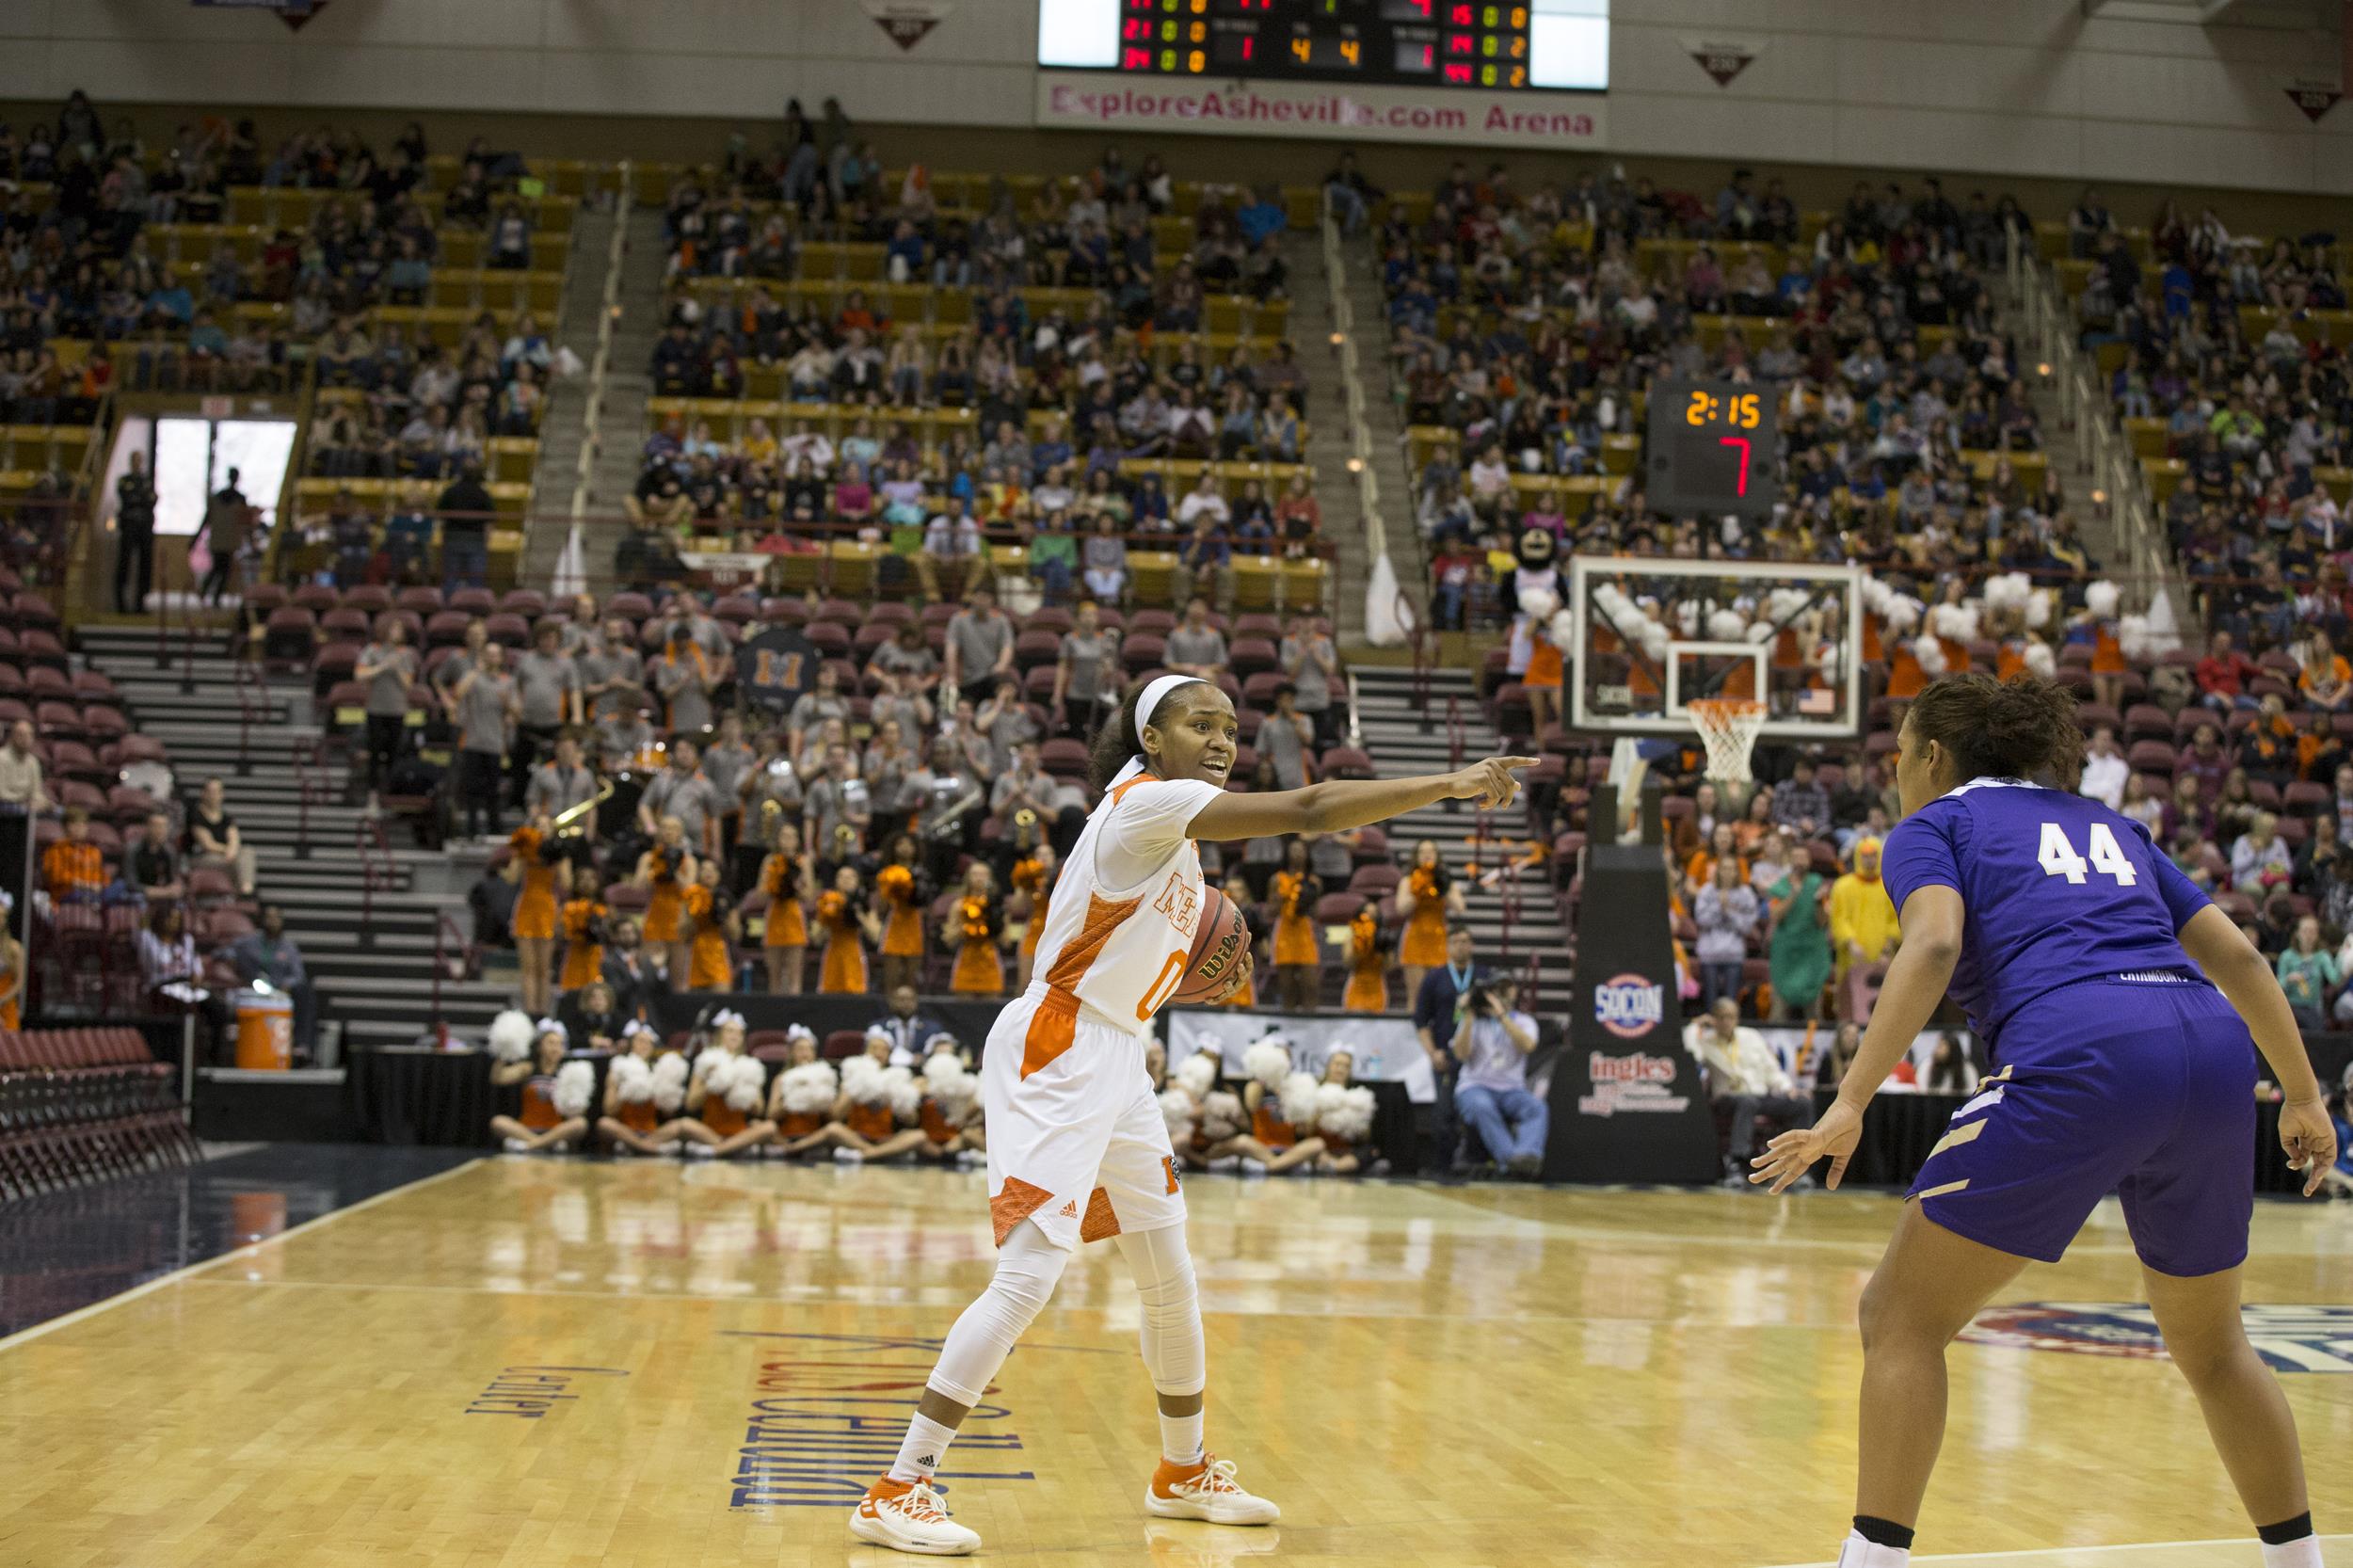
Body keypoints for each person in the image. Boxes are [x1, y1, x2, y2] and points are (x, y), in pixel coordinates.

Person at [848, 672, 1533, 1554]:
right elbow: (1316, 806)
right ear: (1151, 740)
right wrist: (1448, 783)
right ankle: (899, 1485)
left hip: (1119, 1051)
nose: (1220, 739)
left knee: (1169, 1269)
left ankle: (1183, 1470)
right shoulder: (1146, 806)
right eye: (1199, 724)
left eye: (1231, 727)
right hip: (1058, 1042)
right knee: (1028, 1276)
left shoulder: (1178, 836)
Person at [1751, 673, 2338, 1568]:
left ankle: (1870, 1563)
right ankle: (2300, 1564)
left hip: (2085, 1046)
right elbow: (2244, 956)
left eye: (1901, 753)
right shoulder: (2113, 826)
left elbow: (1936, 943)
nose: (1896, 771)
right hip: (2212, 1048)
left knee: (1899, 1318)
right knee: (2216, 1347)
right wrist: (2302, 1094)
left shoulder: (1932, 827)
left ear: (1934, 758)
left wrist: (1850, 1099)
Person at [1688, 995, 1809, 1186]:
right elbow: (1690, 1051)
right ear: (1714, 1019)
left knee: (1802, 1104)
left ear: (1737, 1018)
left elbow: (1771, 1068)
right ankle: (1736, 1163)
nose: (1726, 1021)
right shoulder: (1707, 1043)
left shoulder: (1750, 1036)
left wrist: (1787, 1088)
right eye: (1722, 1017)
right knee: (1747, 1102)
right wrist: (1696, 1025)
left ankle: (1796, 1163)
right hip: (1727, 1099)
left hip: (1759, 1096)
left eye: (1731, 1017)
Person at [1449, 975, 1546, 1177]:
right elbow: (1460, 1054)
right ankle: (1511, 1160)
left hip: (1511, 1090)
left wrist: (1503, 1017)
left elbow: (1528, 1046)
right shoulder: (1474, 1021)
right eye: (1497, 991)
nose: (1500, 996)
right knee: (1482, 1106)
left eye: (1506, 990)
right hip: (1474, 1086)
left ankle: (1526, 1154)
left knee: (1537, 1108)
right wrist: (1467, 1015)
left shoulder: (1523, 1021)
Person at [226, 904, 317, 1053]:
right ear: (263, 920)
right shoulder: (250, 942)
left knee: (304, 991)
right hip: (253, 987)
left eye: (276, 918)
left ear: (282, 921)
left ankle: (302, 1044)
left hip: (279, 990)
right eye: (269, 917)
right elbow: (226, 951)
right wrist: (232, 959)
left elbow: (299, 974)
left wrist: (287, 984)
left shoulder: (289, 948)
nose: (272, 921)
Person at [489, 1023, 587, 1152]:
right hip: (526, 1128)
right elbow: (497, 1078)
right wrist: (504, 1051)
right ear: (540, 1046)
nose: (555, 1048)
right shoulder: (528, 1068)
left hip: (555, 1130)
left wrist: (575, 1103)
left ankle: (529, 1146)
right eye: (551, 1043)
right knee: (498, 1121)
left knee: (580, 1123)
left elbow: (578, 1112)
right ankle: (544, 1144)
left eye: (560, 1044)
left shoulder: (569, 1073)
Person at [354, 617, 420, 808]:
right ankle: (372, 794)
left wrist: (396, 666)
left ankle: (391, 791)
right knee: (374, 753)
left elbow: (408, 685)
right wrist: (383, 666)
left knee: (394, 752)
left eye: (400, 629)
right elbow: (359, 675)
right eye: (394, 628)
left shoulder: (405, 654)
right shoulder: (372, 650)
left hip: (397, 709)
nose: (398, 633)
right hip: (375, 708)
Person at [184, 776, 258, 897]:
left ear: (222, 794)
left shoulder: (226, 817)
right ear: (203, 793)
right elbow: (207, 844)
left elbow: (234, 837)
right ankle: (243, 896)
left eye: (217, 791)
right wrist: (228, 851)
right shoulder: (196, 815)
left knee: (247, 851)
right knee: (237, 863)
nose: (214, 795)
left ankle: (247, 889)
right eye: (211, 791)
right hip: (202, 857)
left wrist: (233, 850)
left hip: (224, 857)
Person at [114, 447, 155, 614]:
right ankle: (121, 603)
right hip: (129, 526)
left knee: (145, 566)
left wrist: (139, 499)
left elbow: (150, 500)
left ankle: (141, 602)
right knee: (124, 564)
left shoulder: (146, 481)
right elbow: (127, 498)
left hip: (144, 527)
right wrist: (139, 499)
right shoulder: (124, 480)